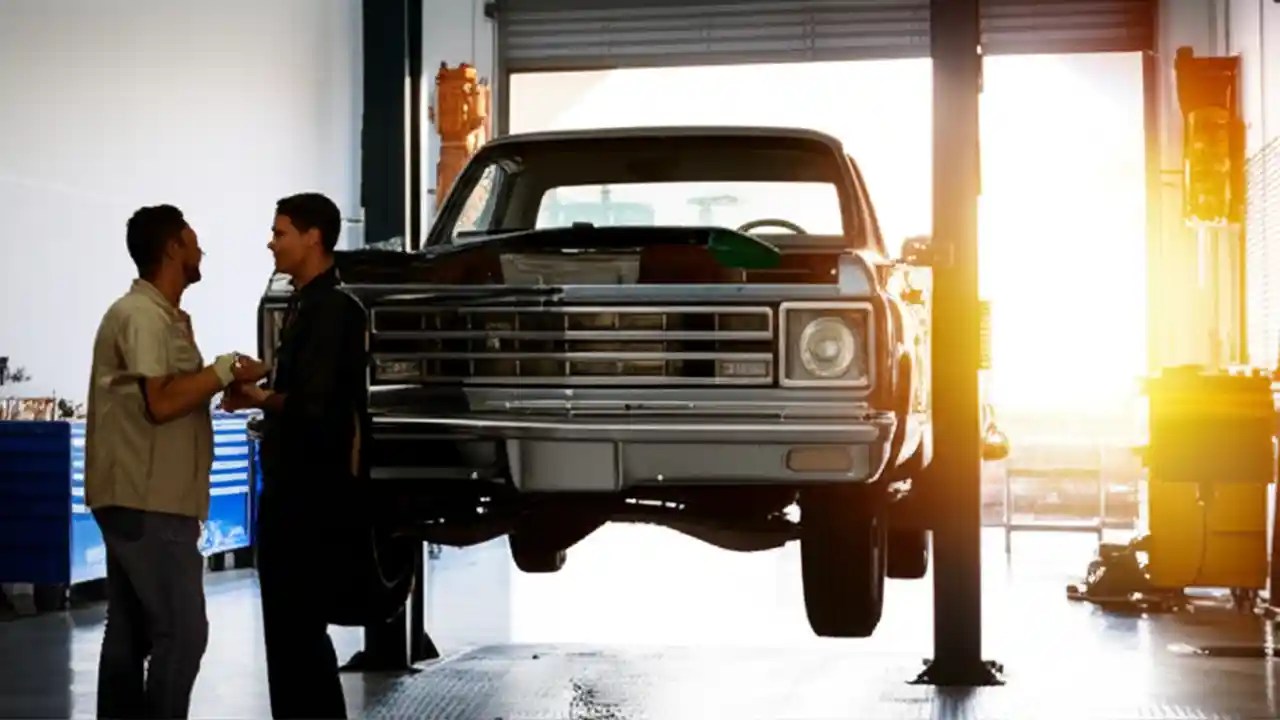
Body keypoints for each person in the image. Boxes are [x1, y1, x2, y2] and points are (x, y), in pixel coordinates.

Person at [84, 204, 269, 719]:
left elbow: (171, 393)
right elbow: (162, 402)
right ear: (171, 247)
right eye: (192, 240)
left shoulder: (161, 316)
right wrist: (224, 368)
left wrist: (221, 382)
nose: (199, 249)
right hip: (149, 498)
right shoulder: (142, 316)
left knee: (130, 629)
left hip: (142, 494)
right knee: (183, 632)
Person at [222, 192, 365, 719]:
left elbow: (318, 407)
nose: (271, 242)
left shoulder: (331, 310)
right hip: (297, 492)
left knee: (296, 631)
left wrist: (263, 398)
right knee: (293, 635)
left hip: (309, 497)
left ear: (313, 237)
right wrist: (267, 377)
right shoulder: (310, 305)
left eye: (280, 232)